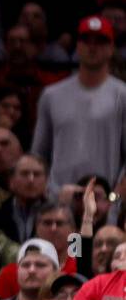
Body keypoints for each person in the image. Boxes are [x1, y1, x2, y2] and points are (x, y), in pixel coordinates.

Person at [32, 16, 126, 192]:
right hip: (59, 200)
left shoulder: (122, 95)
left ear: (111, 48)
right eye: (86, 40)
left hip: (106, 200)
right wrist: (51, 193)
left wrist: (114, 198)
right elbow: (39, 155)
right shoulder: (51, 95)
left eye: (100, 41)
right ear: (77, 46)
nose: (92, 47)